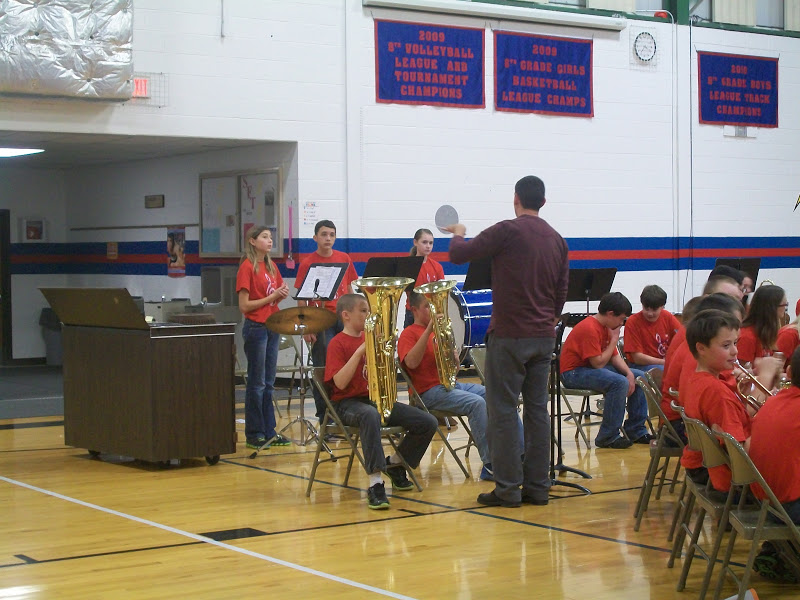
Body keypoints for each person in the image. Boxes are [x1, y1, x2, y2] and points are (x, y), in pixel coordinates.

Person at [446, 175, 569, 508]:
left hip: (510, 336)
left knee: (501, 410)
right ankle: (538, 488)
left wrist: (457, 234)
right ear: (542, 202)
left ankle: (508, 489)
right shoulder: (557, 239)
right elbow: (561, 293)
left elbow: (461, 255)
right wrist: (547, 320)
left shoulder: (507, 230)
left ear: (516, 198)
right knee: (537, 412)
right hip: (544, 337)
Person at [324, 294, 437, 510]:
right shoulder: (337, 343)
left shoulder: (373, 339)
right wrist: (359, 352)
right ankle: (375, 484)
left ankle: (395, 463)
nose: (368, 315)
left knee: (428, 422)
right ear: (346, 315)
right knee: (370, 415)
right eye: (363, 311)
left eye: (368, 310)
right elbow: (339, 382)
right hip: (346, 403)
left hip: (373, 400)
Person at [398, 291, 517, 481]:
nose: (433, 310)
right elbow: (411, 363)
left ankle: (518, 454)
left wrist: (454, 360)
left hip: (449, 386)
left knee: (495, 394)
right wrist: (429, 330)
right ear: (414, 310)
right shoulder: (408, 334)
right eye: (427, 307)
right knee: (476, 403)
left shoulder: (440, 332)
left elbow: (451, 373)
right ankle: (490, 465)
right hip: (426, 393)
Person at [560, 292, 650, 449]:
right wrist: (614, 340)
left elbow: (615, 358)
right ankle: (608, 437)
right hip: (573, 373)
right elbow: (598, 363)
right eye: (621, 319)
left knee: (639, 377)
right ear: (610, 314)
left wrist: (629, 373)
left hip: (589, 369)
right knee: (619, 383)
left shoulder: (607, 327)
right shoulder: (589, 328)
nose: (622, 323)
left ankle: (636, 429)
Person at [682, 309, 751, 498]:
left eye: (735, 343)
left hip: (706, 470)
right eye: (726, 345)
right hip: (731, 480)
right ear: (701, 348)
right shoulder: (717, 393)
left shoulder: (698, 380)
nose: (735, 351)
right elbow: (739, 451)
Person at [294, 220, 359, 423]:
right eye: (324, 234)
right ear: (315, 238)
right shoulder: (307, 263)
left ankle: (346, 411)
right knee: (323, 367)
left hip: (344, 317)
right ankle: (324, 415)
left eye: (331, 234)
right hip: (321, 319)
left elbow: (349, 288)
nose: (328, 238)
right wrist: (307, 327)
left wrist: (356, 314)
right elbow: (302, 298)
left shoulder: (344, 258)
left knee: (349, 362)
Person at [747, 347, 800, 582]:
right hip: (785, 508)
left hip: (765, 500)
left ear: (789, 372)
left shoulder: (777, 399)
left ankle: (784, 553)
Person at [236, 226, 291, 449]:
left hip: (272, 324)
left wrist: (279, 296)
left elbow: (273, 299)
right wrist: (272, 296)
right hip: (256, 327)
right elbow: (244, 306)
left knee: (269, 382)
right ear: (252, 241)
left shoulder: (271, 266)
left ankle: (269, 430)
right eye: (265, 237)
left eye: (271, 238)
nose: (269, 241)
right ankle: (254, 432)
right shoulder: (247, 267)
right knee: (257, 382)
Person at [623, 284, 681, 371]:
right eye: (646, 309)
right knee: (668, 371)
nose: (650, 314)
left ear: (662, 307)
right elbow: (637, 358)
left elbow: (682, 340)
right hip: (641, 366)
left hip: (663, 363)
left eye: (654, 310)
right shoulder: (632, 322)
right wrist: (665, 362)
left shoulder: (667, 317)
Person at [403, 228, 445, 328]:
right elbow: (406, 291)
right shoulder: (407, 265)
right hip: (413, 313)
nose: (428, 246)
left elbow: (441, 292)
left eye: (431, 243)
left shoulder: (437, 267)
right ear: (415, 242)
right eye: (424, 242)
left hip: (432, 313)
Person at [738, 284, 788, 365]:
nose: (785, 309)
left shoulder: (766, 332)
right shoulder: (747, 336)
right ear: (772, 308)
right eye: (784, 305)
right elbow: (740, 373)